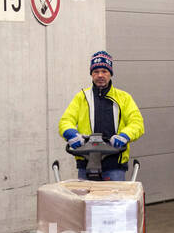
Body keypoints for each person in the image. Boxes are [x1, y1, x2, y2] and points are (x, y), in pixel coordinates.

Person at [58, 50, 145, 180]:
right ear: (91, 74)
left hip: (115, 164)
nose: (100, 75)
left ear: (110, 73)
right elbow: (66, 120)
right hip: (85, 164)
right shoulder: (81, 97)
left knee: (114, 200)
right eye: (96, 72)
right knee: (85, 200)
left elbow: (137, 123)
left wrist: (124, 136)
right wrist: (70, 133)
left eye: (104, 71)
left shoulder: (124, 98)